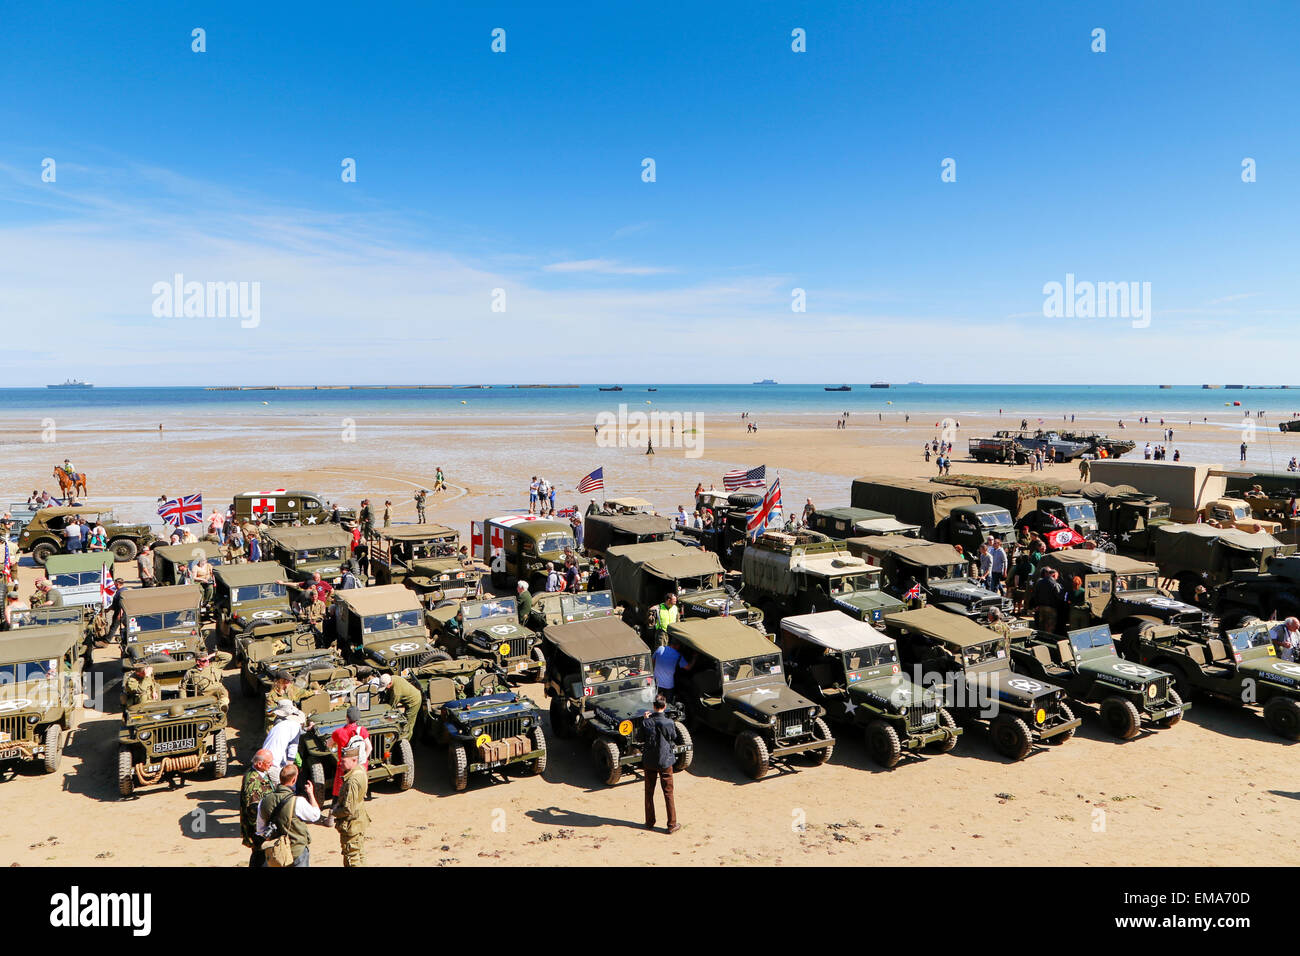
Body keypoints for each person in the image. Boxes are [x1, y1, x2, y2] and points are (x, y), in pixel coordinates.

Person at [256, 763, 321, 867]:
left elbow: (260, 830)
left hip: (276, 853)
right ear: (294, 780)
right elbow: (316, 815)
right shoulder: (298, 801)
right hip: (297, 851)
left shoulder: (263, 801)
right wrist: (311, 793)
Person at [642, 695, 681, 834]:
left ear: (654, 706)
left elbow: (641, 738)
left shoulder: (647, 722)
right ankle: (672, 824)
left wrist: (646, 720)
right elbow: (673, 737)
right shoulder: (668, 722)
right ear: (664, 707)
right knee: (668, 793)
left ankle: (649, 822)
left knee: (649, 792)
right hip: (665, 761)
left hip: (650, 761)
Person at [334, 743, 370, 867]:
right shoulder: (361, 770)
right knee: (359, 853)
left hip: (351, 825)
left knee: (352, 858)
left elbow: (348, 808)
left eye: (343, 761)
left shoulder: (352, 781)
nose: (340, 763)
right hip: (359, 822)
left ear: (354, 760)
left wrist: (334, 812)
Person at [241, 749, 277, 867]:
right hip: (258, 829)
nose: (271, 765)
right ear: (259, 764)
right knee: (260, 857)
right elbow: (253, 809)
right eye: (269, 763)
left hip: (260, 827)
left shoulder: (260, 774)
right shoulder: (253, 781)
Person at [329, 705, 372, 804]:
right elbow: (369, 747)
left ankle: (333, 815)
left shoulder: (339, 732)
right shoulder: (362, 730)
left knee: (338, 791)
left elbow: (329, 744)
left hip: (344, 766)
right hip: (359, 766)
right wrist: (362, 761)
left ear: (346, 717)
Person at [369, 673, 421, 740]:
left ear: (390, 683)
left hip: (414, 702)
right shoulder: (393, 677)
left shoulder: (396, 693)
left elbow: (391, 709)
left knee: (407, 724)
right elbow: (388, 696)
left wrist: (382, 717)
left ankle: (405, 741)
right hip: (408, 695)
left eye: (386, 687)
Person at [262, 699, 309, 770]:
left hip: (268, 755)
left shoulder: (280, 720)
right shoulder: (281, 722)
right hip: (278, 758)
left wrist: (306, 729)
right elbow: (292, 747)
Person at [652, 636, 690, 703]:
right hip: (668, 686)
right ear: (678, 645)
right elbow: (688, 667)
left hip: (656, 683)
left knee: (655, 703)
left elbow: (652, 660)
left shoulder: (660, 649)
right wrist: (695, 658)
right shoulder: (678, 655)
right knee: (668, 705)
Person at [1029, 567, 1064, 633]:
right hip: (1051, 608)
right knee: (1050, 626)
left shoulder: (1039, 582)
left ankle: (1041, 639)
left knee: (1042, 625)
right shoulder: (1055, 584)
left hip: (1041, 607)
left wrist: (1037, 605)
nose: (1057, 578)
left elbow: (1035, 594)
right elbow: (1059, 596)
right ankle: (1048, 639)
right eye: (1057, 576)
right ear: (1054, 575)